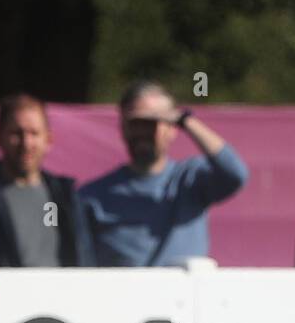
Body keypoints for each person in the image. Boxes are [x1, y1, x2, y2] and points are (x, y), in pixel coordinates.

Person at [80, 79, 248, 266]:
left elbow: (235, 174)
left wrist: (185, 120)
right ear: (123, 128)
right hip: (123, 294)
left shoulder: (190, 180)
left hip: (185, 294)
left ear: (172, 128)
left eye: (152, 123)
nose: (143, 132)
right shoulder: (92, 197)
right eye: (136, 123)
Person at [0, 94, 92, 267]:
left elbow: (85, 259)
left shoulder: (68, 198)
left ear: (48, 139)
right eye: (16, 133)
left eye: (34, 133)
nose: (26, 143)